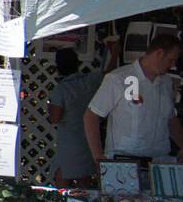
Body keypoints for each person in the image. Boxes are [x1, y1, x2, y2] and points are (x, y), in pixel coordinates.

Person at [84, 32, 183, 164]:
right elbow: (91, 116)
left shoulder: (166, 82)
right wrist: (98, 157)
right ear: (159, 53)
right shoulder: (118, 78)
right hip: (124, 162)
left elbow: (170, 119)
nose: (173, 65)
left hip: (160, 161)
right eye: (171, 60)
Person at [48, 39, 121, 185]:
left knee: (62, 175)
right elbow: (109, 74)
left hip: (70, 139)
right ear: (77, 63)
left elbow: (55, 118)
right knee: (85, 179)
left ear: (58, 66)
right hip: (90, 137)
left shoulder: (61, 90)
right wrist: (114, 55)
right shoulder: (92, 80)